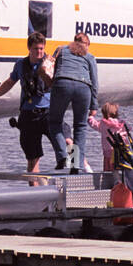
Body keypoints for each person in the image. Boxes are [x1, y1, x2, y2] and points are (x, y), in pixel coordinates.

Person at [0, 32, 54, 180]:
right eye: (36, 49)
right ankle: (37, 196)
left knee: (66, 140)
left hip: (47, 113)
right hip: (28, 115)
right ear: (29, 48)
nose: (39, 52)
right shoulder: (20, 65)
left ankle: (76, 165)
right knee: (32, 159)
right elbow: (8, 84)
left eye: (41, 49)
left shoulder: (49, 63)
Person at [43, 32, 100, 172]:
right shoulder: (90, 57)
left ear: (74, 41)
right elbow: (95, 82)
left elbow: (53, 71)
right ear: (87, 44)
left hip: (62, 84)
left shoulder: (61, 49)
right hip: (84, 88)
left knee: (55, 122)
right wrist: (94, 105)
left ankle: (62, 155)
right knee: (80, 127)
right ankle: (76, 164)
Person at [87, 101, 127, 171]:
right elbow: (129, 128)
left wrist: (91, 116)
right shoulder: (121, 123)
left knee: (108, 168)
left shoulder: (103, 123)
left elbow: (94, 124)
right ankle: (120, 179)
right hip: (121, 149)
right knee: (120, 166)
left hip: (108, 150)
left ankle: (110, 179)